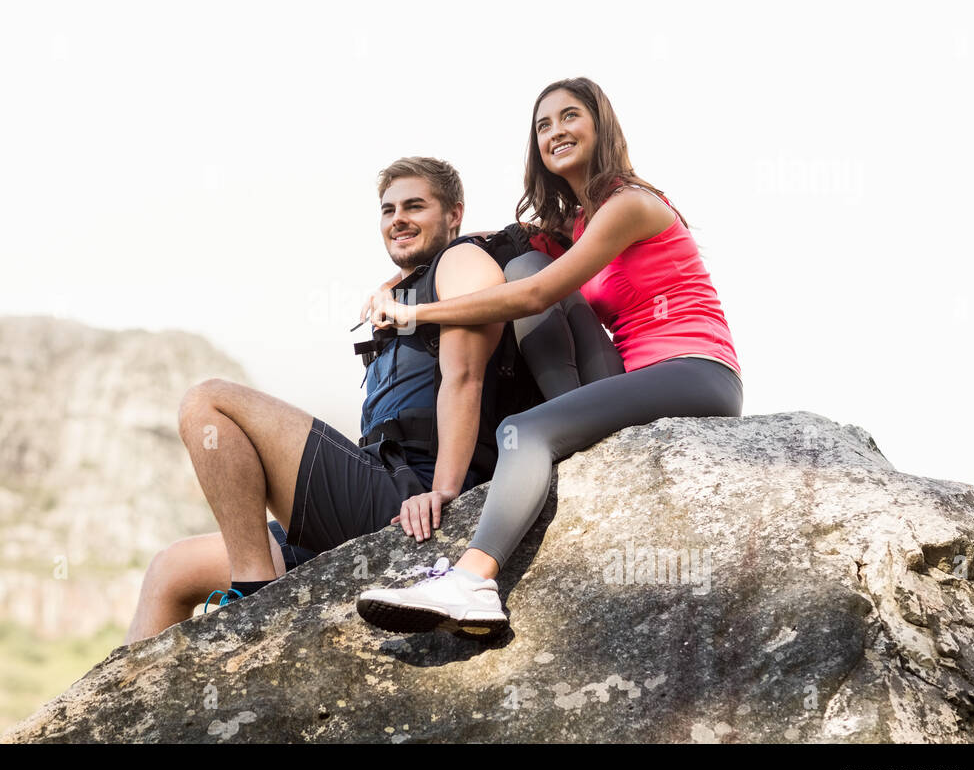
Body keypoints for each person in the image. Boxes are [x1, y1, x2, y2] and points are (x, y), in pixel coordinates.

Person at [355, 77, 744, 636]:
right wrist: (399, 279)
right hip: (637, 372)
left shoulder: (630, 206)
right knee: (524, 262)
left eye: (569, 117)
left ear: (599, 125)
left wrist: (419, 314)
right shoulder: (578, 222)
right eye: (543, 125)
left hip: (694, 371)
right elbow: (499, 245)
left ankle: (474, 581)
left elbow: (535, 301)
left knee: (523, 431)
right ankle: (570, 431)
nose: (555, 131)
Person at [124, 156, 520, 643]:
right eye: (388, 209)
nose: (398, 218)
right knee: (171, 569)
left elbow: (465, 377)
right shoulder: (398, 293)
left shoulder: (462, 261)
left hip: (411, 494)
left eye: (415, 206)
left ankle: (255, 599)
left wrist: (442, 492)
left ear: (454, 213)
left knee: (208, 403)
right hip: (376, 480)